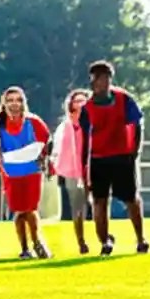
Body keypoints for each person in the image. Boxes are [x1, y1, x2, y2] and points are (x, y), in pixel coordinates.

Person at [78, 61, 148, 255]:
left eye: (102, 78)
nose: (97, 83)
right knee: (99, 201)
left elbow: (137, 124)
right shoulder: (87, 108)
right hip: (98, 159)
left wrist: (134, 151)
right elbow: (84, 139)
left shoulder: (124, 100)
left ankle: (141, 239)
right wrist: (85, 166)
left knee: (131, 199)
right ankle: (104, 241)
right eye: (95, 79)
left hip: (122, 157)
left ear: (109, 79)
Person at [0, 87, 53, 259]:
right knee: (19, 210)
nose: (14, 104)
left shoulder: (33, 121)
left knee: (30, 208)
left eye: (18, 100)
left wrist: (43, 157)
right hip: (11, 173)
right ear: (4, 104)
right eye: (10, 100)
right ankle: (24, 248)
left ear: (23, 103)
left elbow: (48, 140)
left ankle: (37, 242)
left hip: (32, 171)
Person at [50, 89, 91, 254]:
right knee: (77, 206)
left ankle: (103, 235)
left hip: (92, 168)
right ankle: (81, 241)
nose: (80, 103)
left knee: (97, 203)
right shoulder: (65, 126)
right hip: (71, 171)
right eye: (77, 100)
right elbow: (57, 148)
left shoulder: (93, 123)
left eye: (83, 100)